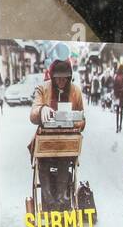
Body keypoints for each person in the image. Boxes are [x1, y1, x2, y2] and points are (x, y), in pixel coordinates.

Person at [29, 59, 85, 209]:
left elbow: (82, 120)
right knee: (43, 163)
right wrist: (42, 109)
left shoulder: (76, 91)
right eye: (57, 78)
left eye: (64, 78)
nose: (61, 81)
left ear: (69, 77)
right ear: (52, 77)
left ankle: (61, 201)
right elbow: (33, 115)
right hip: (46, 142)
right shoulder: (42, 88)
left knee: (64, 161)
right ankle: (48, 203)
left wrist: (73, 119)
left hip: (66, 143)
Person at [113, 64, 123, 133]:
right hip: (122, 97)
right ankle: (120, 126)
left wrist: (116, 95)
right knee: (121, 112)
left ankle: (116, 127)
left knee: (117, 112)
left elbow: (114, 87)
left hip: (117, 97)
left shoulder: (116, 77)